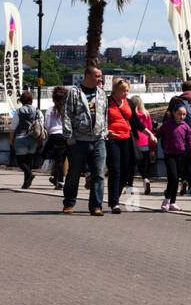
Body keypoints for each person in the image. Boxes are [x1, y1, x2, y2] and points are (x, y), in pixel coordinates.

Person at [63, 66, 108, 215]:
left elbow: (104, 115)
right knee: (74, 173)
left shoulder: (102, 94)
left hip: (98, 139)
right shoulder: (74, 92)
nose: (100, 79)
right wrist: (69, 136)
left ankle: (96, 206)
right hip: (78, 140)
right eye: (97, 76)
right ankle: (69, 203)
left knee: (99, 173)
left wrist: (104, 133)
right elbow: (67, 114)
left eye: (100, 76)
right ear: (87, 76)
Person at [105, 79, 154, 213]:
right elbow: (99, 119)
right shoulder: (106, 102)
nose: (126, 93)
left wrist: (150, 134)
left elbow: (136, 122)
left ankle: (115, 197)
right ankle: (114, 203)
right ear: (115, 90)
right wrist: (105, 131)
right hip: (111, 139)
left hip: (126, 138)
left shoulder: (129, 103)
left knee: (126, 171)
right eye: (123, 90)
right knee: (115, 169)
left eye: (127, 90)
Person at [157, 97, 191, 212]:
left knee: (176, 179)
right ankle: (166, 200)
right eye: (179, 114)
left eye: (184, 114)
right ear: (174, 113)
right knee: (173, 178)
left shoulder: (186, 127)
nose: (182, 117)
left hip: (181, 155)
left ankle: (172, 202)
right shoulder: (167, 124)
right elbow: (158, 134)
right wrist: (152, 138)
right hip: (169, 154)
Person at [10, 91, 42, 189]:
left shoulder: (18, 111)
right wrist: (40, 141)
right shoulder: (37, 111)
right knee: (28, 162)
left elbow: (13, 127)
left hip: (21, 138)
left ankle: (30, 174)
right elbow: (41, 125)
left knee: (20, 162)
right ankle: (26, 183)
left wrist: (11, 139)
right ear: (31, 100)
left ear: (21, 101)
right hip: (33, 139)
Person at [43, 87, 69, 189]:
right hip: (66, 136)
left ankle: (59, 180)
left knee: (55, 159)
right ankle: (57, 179)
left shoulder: (50, 110)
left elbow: (47, 125)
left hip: (54, 136)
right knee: (61, 159)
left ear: (54, 99)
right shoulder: (67, 110)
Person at [130, 94, 155, 195]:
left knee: (131, 166)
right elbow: (150, 128)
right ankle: (145, 179)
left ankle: (130, 187)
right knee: (144, 165)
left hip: (134, 142)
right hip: (145, 142)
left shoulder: (131, 115)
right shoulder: (146, 114)